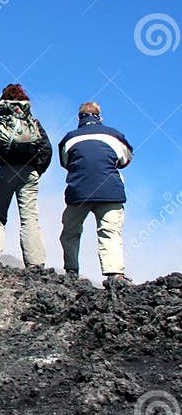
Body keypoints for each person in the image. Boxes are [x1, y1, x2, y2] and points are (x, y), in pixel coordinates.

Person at [0, 84, 52, 267]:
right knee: (29, 218)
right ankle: (36, 262)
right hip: (29, 172)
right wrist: (37, 170)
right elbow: (47, 149)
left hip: (4, 171)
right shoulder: (33, 121)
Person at [57, 102, 133, 285]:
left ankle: (71, 271)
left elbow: (65, 162)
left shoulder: (69, 138)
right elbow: (125, 159)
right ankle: (115, 274)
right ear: (100, 117)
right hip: (110, 192)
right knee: (110, 232)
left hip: (78, 193)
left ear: (78, 118)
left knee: (70, 232)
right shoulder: (114, 135)